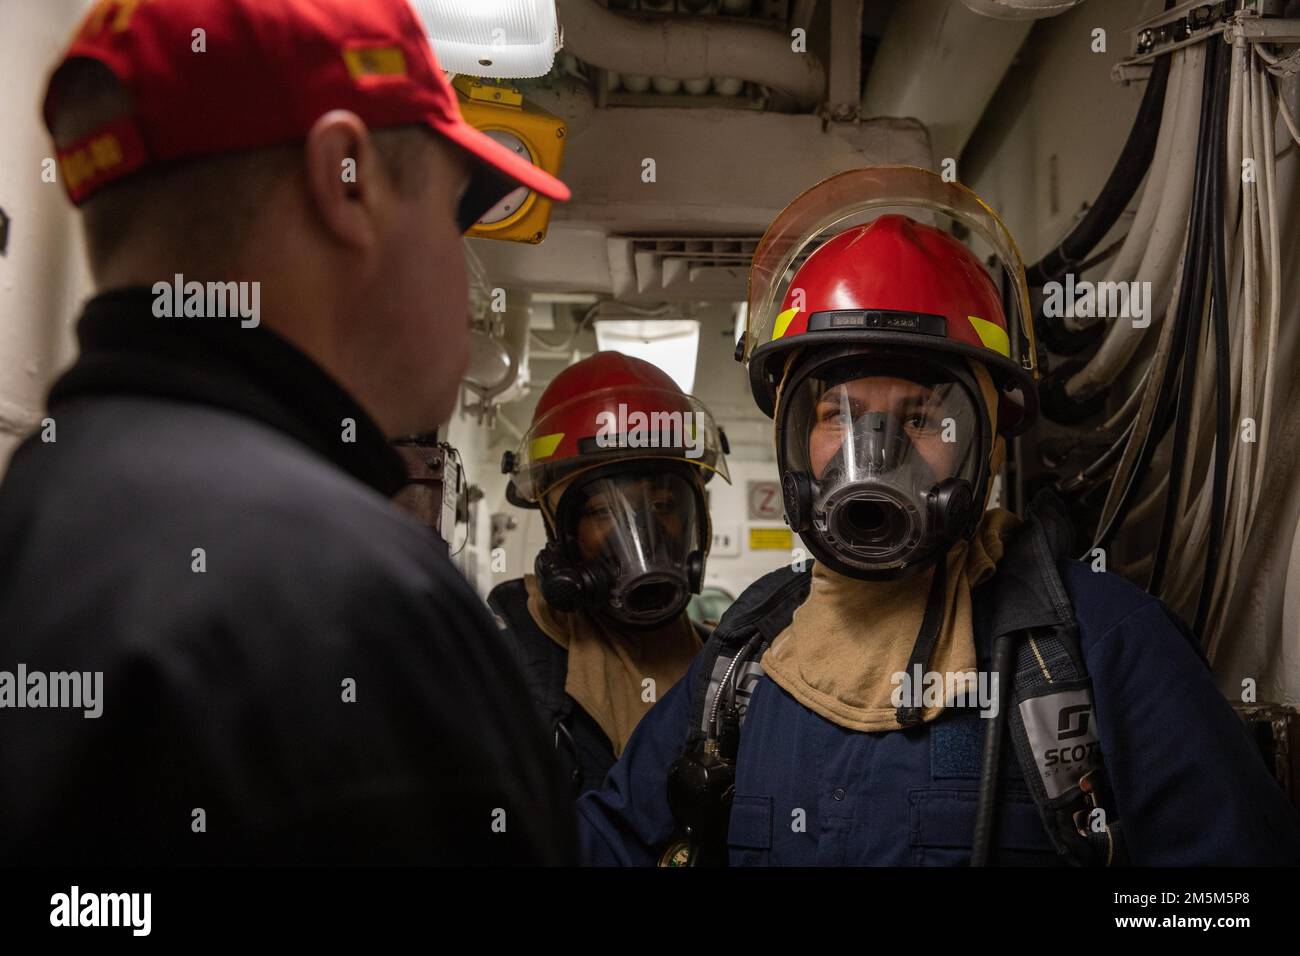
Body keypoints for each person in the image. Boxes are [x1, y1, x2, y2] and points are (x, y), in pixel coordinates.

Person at [574, 166, 1300, 866]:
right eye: (841, 415)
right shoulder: (746, 657)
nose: (875, 457)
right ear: (794, 436)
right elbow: (606, 844)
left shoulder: (1101, 650)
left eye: (922, 416)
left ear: (986, 439)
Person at [0, 0, 576, 864]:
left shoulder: (38, 510)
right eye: (455, 212)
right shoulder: (365, 607)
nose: (465, 280)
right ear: (345, 179)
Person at [489, 352, 730, 795]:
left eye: (662, 504)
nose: (642, 532)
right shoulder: (500, 655)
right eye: (602, 510)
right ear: (554, 524)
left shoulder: (726, 665)